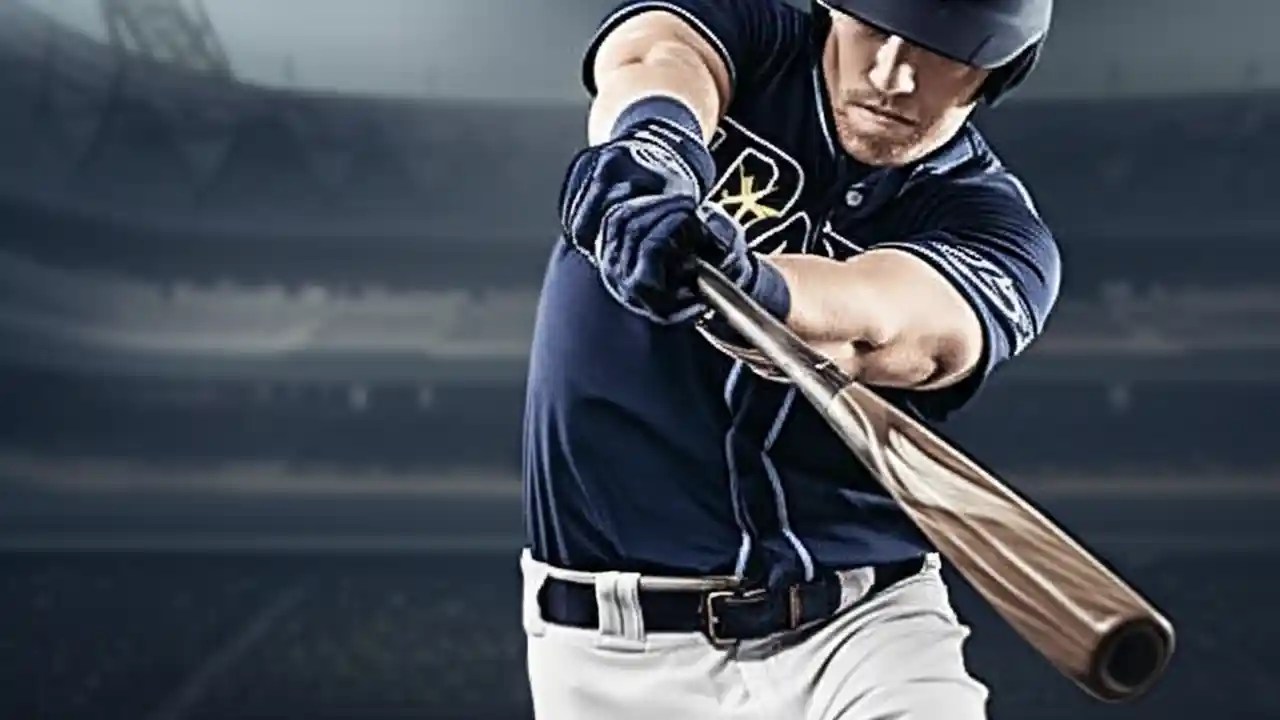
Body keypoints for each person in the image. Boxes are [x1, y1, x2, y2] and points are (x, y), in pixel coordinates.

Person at [520, 0, 1060, 717]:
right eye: (875, 28)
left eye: (940, 50)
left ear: (999, 69)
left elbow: (875, 326)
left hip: (861, 631)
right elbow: (656, 57)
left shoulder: (1000, 233)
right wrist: (652, 151)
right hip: (610, 650)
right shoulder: (752, 36)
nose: (891, 75)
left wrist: (758, 287)